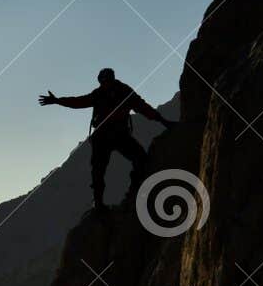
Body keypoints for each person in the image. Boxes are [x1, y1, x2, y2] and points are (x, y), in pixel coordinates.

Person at [39, 68, 171, 209]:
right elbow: (143, 107)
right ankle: (107, 201)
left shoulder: (111, 92)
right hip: (113, 135)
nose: (104, 84)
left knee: (107, 168)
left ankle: (111, 200)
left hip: (109, 136)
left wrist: (57, 101)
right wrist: (163, 121)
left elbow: (80, 101)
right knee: (117, 164)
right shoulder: (116, 91)